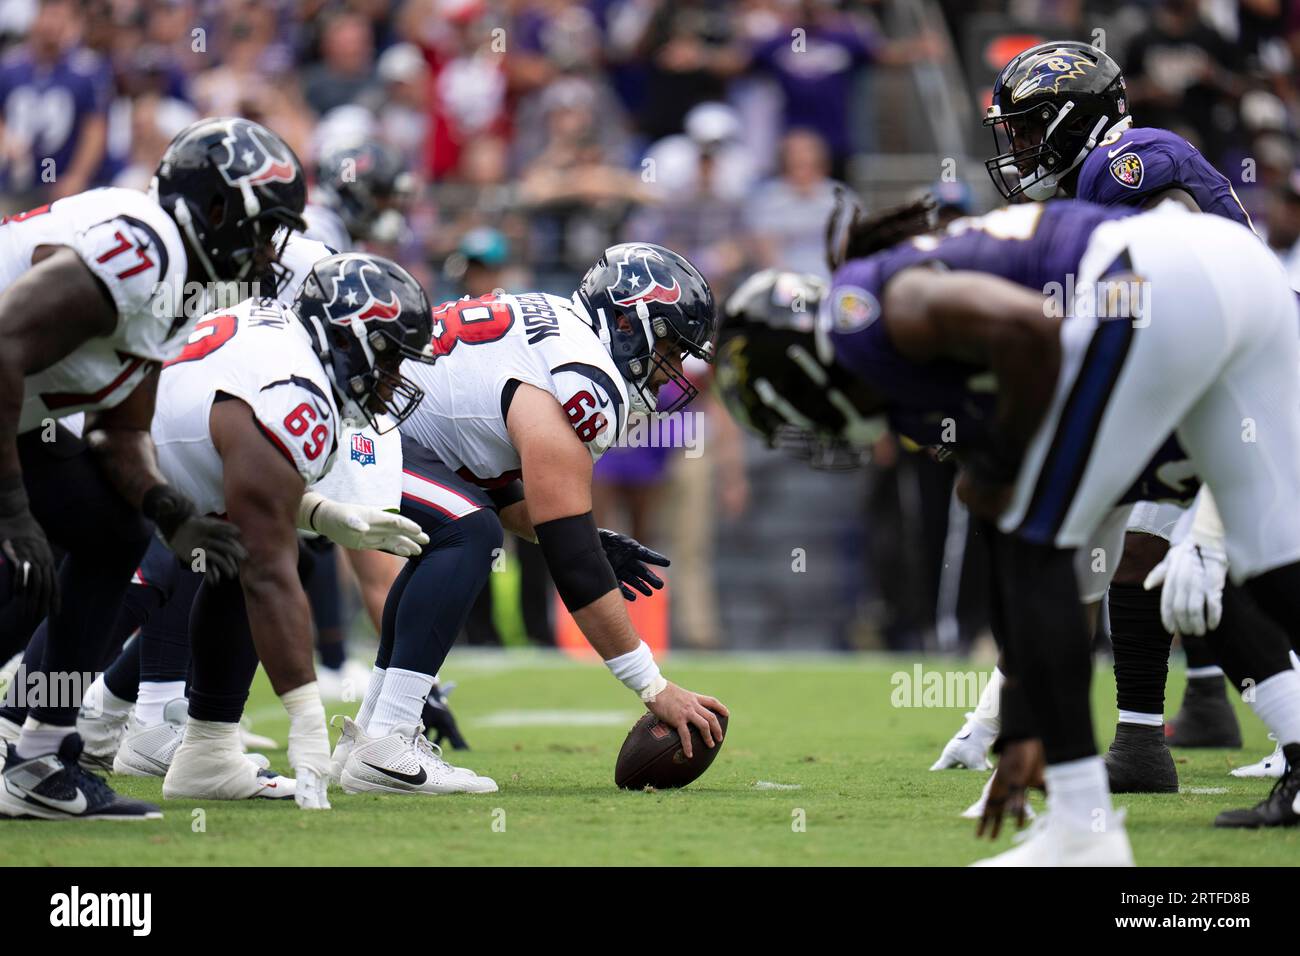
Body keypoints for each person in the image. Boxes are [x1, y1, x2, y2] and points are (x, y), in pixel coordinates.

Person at [720, 194, 1300, 860]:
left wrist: (1016, 458)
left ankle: (1083, 830)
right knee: (1273, 559)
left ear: (795, 369)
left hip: (1145, 283)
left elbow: (1028, 328)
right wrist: (1018, 719)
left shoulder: (865, 317)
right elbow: (986, 492)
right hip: (1240, 277)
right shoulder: (899, 343)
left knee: (1036, 541)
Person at [963, 40, 1264, 794]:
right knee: (1123, 554)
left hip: (1237, 374)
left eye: (1031, 130)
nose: (1021, 148)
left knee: (1201, 568)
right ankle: (1135, 745)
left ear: (1076, 119)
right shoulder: (1084, 197)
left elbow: (1170, 289)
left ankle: (1266, 735)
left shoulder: (1130, 163)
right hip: (1197, 379)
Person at [329, 241, 729, 795]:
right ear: (632, 325)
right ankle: (388, 739)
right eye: (668, 348)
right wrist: (653, 686)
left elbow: (501, 491)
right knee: (467, 531)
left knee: (463, 523)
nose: (671, 371)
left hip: (367, 421)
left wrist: (588, 539)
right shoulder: (584, 378)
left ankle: (375, 732)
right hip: (359, 425)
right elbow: (572, 562)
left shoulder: (559, 327)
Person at [0, 116, 303, 821]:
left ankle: (39, 756)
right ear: (220, 208)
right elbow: (3, 349)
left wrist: (170, 510)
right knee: (24, 569)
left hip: (21, 417)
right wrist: (15, 512)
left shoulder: (180, 279)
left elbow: (119, 430)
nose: (268, 251)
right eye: (265, 229)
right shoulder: (145, 244)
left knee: (114, 525)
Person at [151, 251, 436, 808]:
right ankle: (26, 741)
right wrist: (306, 723)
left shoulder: (282, 338)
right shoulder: (297, 390)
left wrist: (319, 514)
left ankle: (206, 752)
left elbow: (241, 474)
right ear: (350, 340)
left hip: (144, 468)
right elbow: (266, 564)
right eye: (390, 360)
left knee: (228, 553)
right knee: (119, 562)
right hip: (93, 458)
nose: (394, 381)